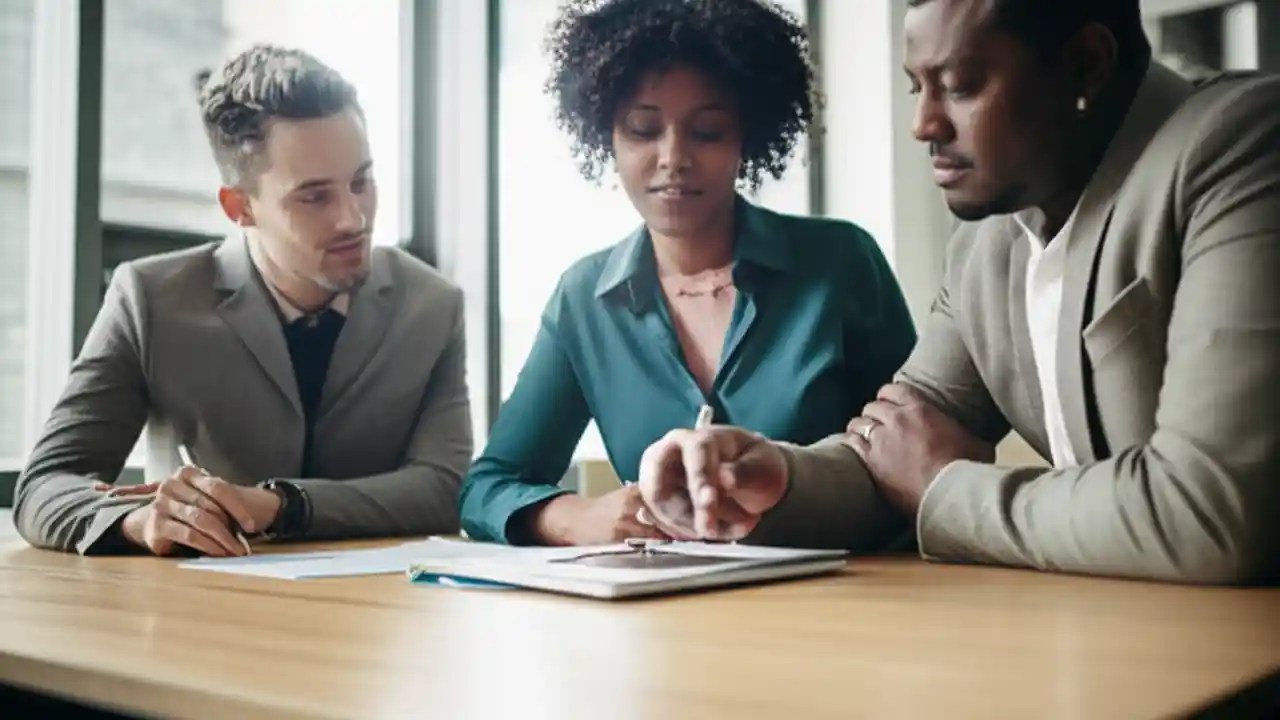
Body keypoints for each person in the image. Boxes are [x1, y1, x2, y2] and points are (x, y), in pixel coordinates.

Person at [637, 0, 1280, 584]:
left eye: (962, 86)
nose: (923, 124)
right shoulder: (987, 239)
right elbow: (890, 452)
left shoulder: (1244, 145)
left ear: (1087, 65)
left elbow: (1210, 513)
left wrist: (948, 489)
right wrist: (766, 476)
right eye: (917, 87)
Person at [460, 0, 916, 546]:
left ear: (747, 139)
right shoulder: (584, 300)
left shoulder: (839, 263)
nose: (673, 156)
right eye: (642, 129)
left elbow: (914, 463)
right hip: (667, 612)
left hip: (852, 599)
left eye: (707, 132)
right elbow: (487, 487)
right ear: (607, 134)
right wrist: (574, 518)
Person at [14, 45, 472, 556]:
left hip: (386, 615)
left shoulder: (434, 305)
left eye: (361, 182)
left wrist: (279, 505)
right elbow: (46, 486)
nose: (354, 218)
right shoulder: (151, 300)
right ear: (240, 207)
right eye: (315, 196)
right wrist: (141, 521)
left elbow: (447, 488)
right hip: (203, 613)